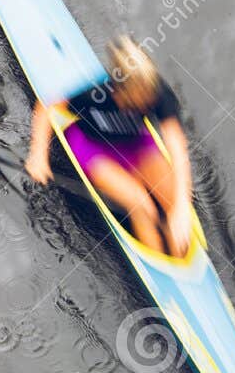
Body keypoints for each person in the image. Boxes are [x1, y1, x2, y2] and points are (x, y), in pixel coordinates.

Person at [24, 36, 194, 256]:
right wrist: (38, 154)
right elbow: (46, 108)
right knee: (141, 205)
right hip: (93, 146)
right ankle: (159, 261)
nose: (148, 103)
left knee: (174, 200)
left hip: (134, 144)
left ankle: (179, 255)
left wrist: (182, 207)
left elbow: (177, 148)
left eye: (149, 97)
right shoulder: (96, 93)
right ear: (121, 90)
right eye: (141, 98)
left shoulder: (158, 92)